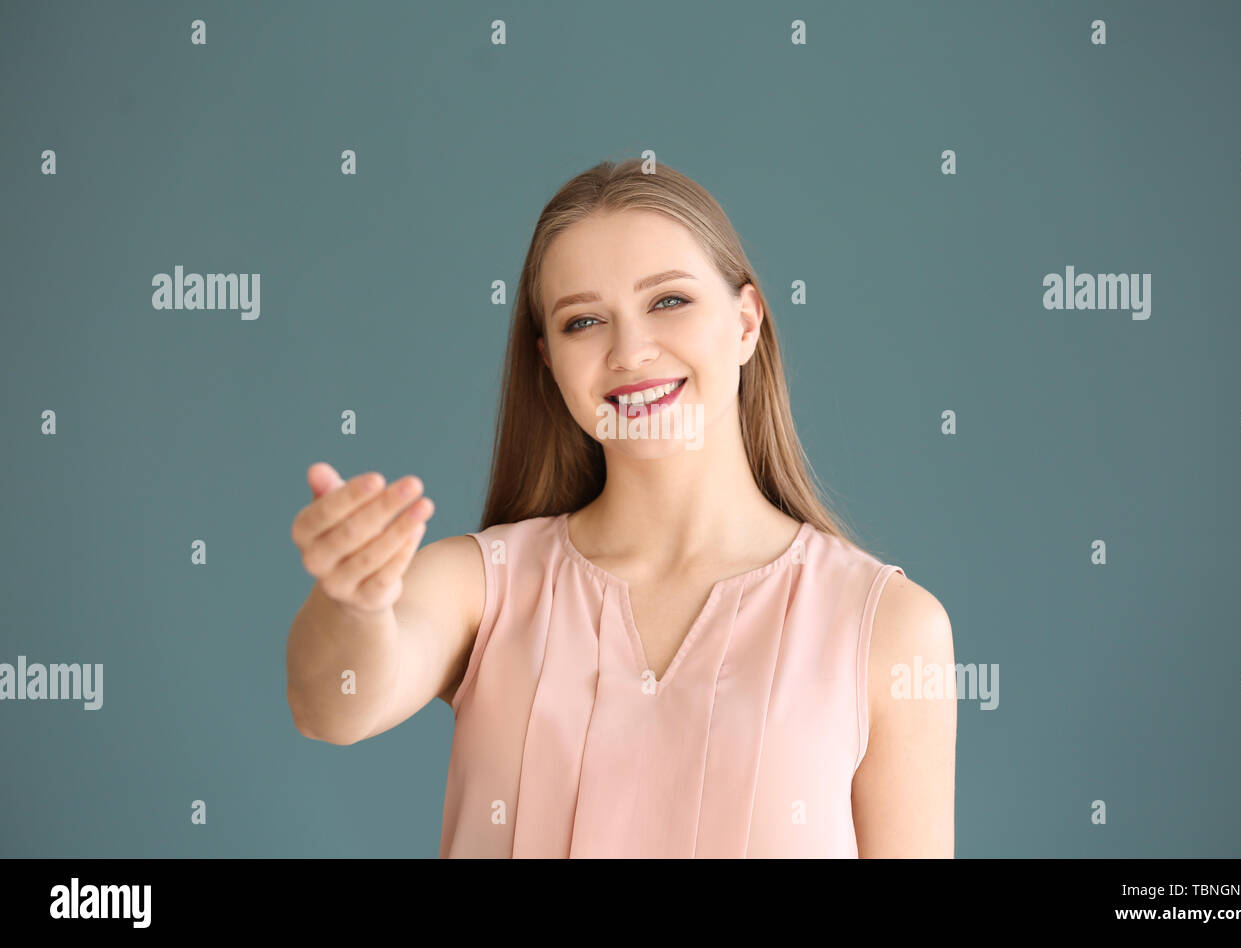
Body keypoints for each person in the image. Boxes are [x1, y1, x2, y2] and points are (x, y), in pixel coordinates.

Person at [286, 159, 956, 858]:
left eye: (668, 301)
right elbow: (331, 706)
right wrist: (352, 604)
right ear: (548, 361)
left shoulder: (891, 628)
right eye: (583, 321)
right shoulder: (480, 587)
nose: (630, 351)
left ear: (746, 322)